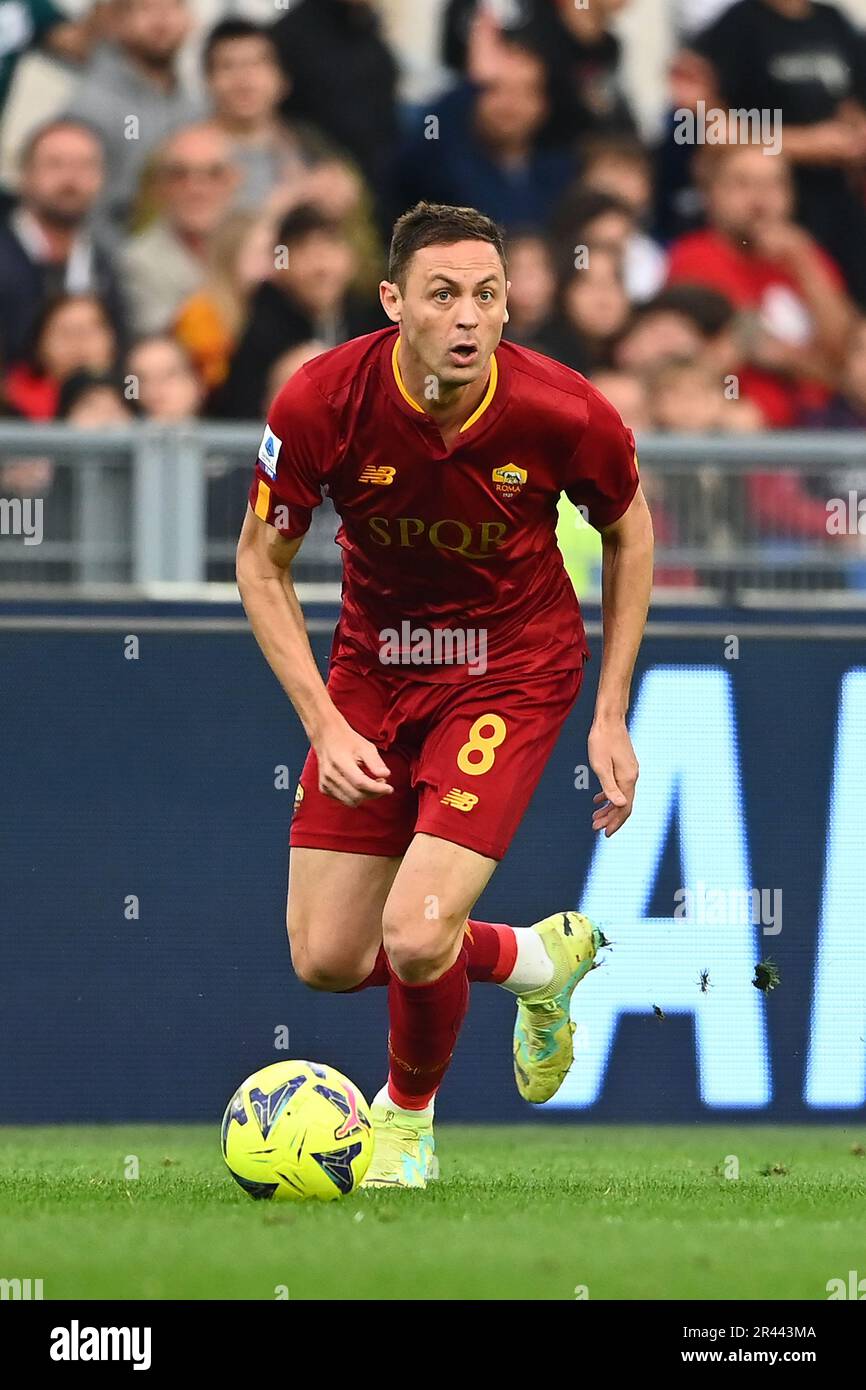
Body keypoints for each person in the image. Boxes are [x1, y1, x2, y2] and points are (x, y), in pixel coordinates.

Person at [235, 201, 653, 1187]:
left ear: (508, 307)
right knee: (328, 958)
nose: (467, 318)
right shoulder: (317, 402)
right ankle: (534, 961)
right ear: (392, 303)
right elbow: (261, 564)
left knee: (416, 932)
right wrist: (322, 719)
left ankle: (406, 1128)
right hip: (374, 672)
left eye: (486, 296)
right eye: (441, 295)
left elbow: (630, 531)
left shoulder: (564, 411)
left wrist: (609, 709)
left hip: (507, 669)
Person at [685, 0, 866, 305]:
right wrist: (805, 144)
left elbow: (853, 100)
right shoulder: (738, 25)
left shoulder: (832, 21)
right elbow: (710, 127)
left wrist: (854, 130)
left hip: (837, 201)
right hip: (767, 199)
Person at [666, 144, 855, 423]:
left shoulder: (807, 256)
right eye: (743, 184)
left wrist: (805, 265)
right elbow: (752, 342)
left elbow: (846, 347)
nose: (760, 199)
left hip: (825, 423)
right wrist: (827, 372)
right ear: (712, 195)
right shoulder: (693, 257)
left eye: (773, 185)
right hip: (736, 424)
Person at [212, 203, 379, 419]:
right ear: (282, 263)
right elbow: (240, 410)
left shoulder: (372, 317)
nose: (321, 267)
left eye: (330, 248)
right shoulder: (260, 328)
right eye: (305, 252)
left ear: (350, 258)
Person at [399, 40, 575, 232]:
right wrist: (469, 85)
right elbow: (415, 160)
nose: (509, 104)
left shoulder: (559, 177)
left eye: (524, 91)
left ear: (543, 105)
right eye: (493, 88)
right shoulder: (447, 165)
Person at [64, 0, 201, 231]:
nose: (162, 19)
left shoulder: (195, 107)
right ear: (117, 22)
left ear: (191, 21)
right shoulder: (91, 105)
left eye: (173, 7)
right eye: (146, 8)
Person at [0, 120, 126, 362]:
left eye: (85, 166)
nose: (71, 179)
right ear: (25, 174)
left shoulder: (106, 268)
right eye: (55, 164)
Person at [121, 122, 240, 337]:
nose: (196, 188)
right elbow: (171, 343)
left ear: (234, 180)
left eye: (214, 173)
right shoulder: (137, 262)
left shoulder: (262, 244)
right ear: (159, 186)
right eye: (179, 175)